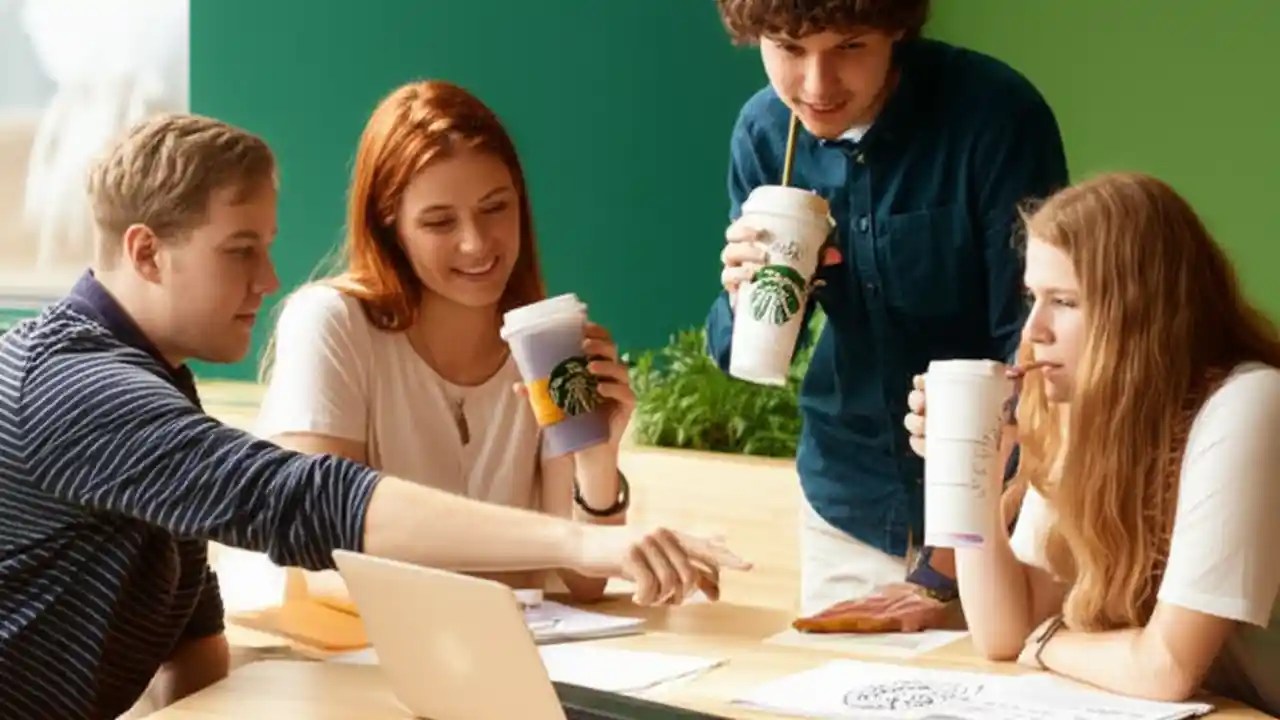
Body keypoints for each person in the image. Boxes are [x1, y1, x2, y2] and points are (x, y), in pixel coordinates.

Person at [0, 113, 749, 719]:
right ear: (147, 252)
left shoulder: (150, 381)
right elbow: (305, 498)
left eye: (265, 246)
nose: (268, 278)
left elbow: (191, 636)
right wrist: (587, 546)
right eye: (240, 251)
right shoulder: (75, 386)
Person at [706, 0, 1069, 620]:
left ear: (896, 30)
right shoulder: (765, 133)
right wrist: (746, 297)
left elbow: (1033, 351)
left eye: (849, 47)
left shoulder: (994, 116)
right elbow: (760, 349)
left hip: (1001, 510)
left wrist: (944, 565)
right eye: (789, 50)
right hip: (849, 507)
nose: (816, 87)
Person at [905, 172, 1280, 713]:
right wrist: (975, 466)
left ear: (1140, 312)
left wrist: (1048, 639)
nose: (1034, 329)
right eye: (1033, 297)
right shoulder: (1082, 410)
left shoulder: (1249, 403)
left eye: (1064, 300)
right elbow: (1004, 634)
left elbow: (1166, 668)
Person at [256, 79, 642, 604]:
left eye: (495, 208)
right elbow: (316, 543)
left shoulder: (544, 343)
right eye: (439, 221)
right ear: (390, 225)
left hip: (520, 661)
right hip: (369, 659)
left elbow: (584, 580)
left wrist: (596, 460)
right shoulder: (331, 323)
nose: (476, 243)